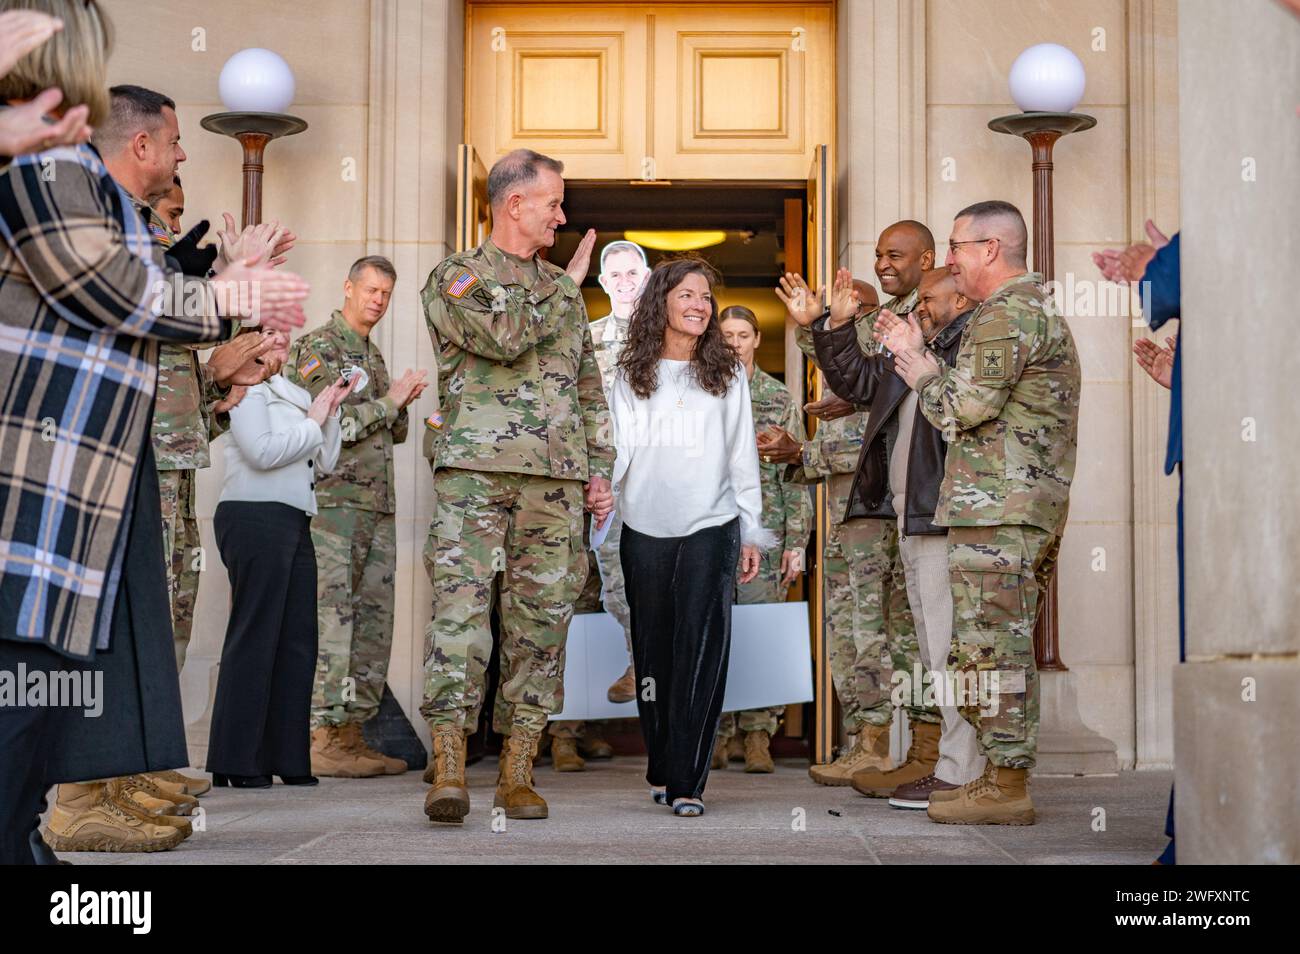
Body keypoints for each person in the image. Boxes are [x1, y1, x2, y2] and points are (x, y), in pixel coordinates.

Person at [0, 0, 308, 862]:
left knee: (39, 695)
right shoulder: (42, 165)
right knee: (21, 698)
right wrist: (227, 297)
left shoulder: (54, 162)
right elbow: (107, 289)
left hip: (78, 481)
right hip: (39, 477)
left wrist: (216, 283)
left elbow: (128, 292)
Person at [419, 148, 614, 824]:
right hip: (474, 475)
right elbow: (503, 337)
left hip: (555, 483)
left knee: (541, 625)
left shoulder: (563, 290)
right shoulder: (456, 278)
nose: (562, 217)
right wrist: (565, 286)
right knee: (461, 619)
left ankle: (518, 771)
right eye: (554, 202)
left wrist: (600, 469)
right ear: (514, 205)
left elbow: (588, 387)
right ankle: (448, 767)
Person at [876, 199, 1081, 825]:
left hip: (1001, 512)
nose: (953, 258)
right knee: (992, 647)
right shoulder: (1027, 309)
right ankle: (997, 776)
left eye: (959, 247)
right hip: (1011, 509)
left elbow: (964, 409)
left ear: (990, 249)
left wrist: (918, 366)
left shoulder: (1005, 315)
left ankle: (1008, 784)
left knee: (995, 649)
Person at [804, 266, 986, 807]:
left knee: (952, 651)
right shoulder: (917, 341)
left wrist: (921, 362)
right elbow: (857, 382)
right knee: (936, 651)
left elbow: (966, 416)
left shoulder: (962, 346)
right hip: (911, 517)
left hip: (945, 519)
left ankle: (959, 770)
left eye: (929, 298)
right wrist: (834, 326)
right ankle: (950, 765)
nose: (918, 307)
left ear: (960, 298)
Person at [766, 221, 939, 786]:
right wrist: (820, 323)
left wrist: (803, 453)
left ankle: (915, 748)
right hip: (848, 513)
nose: (858, 317)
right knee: (851, 630)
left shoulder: (909, 331)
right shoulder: (859, 362)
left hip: (885, 513)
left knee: (893, 628)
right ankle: (867, 741)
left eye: (862, 309)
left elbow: (860, 448)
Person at [610, 257, 769, 816]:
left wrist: (749, 528)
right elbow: (620, 449)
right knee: (652, 655)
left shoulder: (726, 374)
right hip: (643, 526)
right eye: (688, 295)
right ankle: (661, 759)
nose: (700, 305)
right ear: (663, 301)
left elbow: (741, 453)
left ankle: (687, 781)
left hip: (712, 524)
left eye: (706, 297)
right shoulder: (630, 374)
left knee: (701, 651)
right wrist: (601, 491)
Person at [284, 255, 427, 778]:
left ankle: (352, 732)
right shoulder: (318, 347)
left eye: (386, 294)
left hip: (376, 508)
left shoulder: (371, 352)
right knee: (335, 623)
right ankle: (322, 734)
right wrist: (390, 402)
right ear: (347, 287)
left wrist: (403, 404)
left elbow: (393, 431)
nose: (378, 301)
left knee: (373, 624)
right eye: (370, 290)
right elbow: (327, 424)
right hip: (334, 508)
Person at [206, 330, 352, 788]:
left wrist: (331, 410)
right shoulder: (245, 388)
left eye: (285, 341)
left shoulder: (294, 392)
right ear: (249, 346)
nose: (279, 348)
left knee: (296, 641)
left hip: (293, 517)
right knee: (256, 636)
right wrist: (312, 421)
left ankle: (288, 758)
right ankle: (237, 761)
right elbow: (262, 452)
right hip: (252, 516)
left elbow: (325, 461)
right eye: (268, 339)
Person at [546, 238, 649, 770]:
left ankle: (648, 687)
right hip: (590, 485)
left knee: (636, 589)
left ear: (647, 278)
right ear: (603, 284)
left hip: (650, 484)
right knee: (583, 596)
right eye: (617, 275)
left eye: (635, 273)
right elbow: (567, 408)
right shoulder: (586, 339)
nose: (626, 282)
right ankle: (562, 731)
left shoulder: (669, 341)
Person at [714, 304, 812, 773]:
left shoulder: (776, 397)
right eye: (726, 334)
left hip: (765, 533)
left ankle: (757, 737)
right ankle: (716, 735)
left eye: (742, 334)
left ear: (756, 340)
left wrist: (797, 541)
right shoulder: (703, 392)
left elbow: (796, 470)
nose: (734, 342)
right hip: (712, 530)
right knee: (714, 635)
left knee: (759, 634)